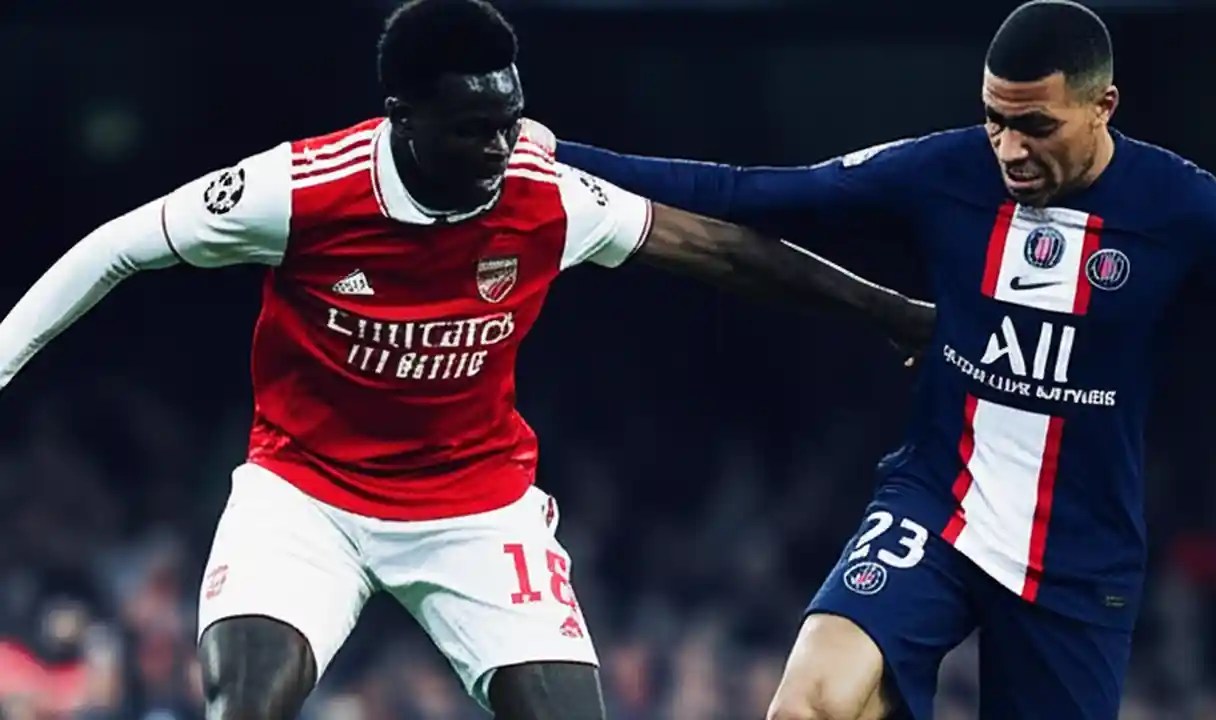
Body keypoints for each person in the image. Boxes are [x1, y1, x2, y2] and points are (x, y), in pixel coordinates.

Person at [0, 1, 932, 718]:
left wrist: (891, 312)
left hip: (475, 508)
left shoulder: (545, 194)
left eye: (510, 120)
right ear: (400, 117)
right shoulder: (299, 191)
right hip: (304, 498)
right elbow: (116, 246)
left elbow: (721, 251)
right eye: (471, 128)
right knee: (243, 704)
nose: (500, 146)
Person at [555, 1, 1216, 718]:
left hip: (1078, 554)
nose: (1010, 149)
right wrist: (549, 156)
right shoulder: (945, 170)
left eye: (1036, 127)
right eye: (995, 120)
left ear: (1103, 107)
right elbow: (751, 191)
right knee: (809, 706)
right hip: (937, 505)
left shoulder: (1186, 209)